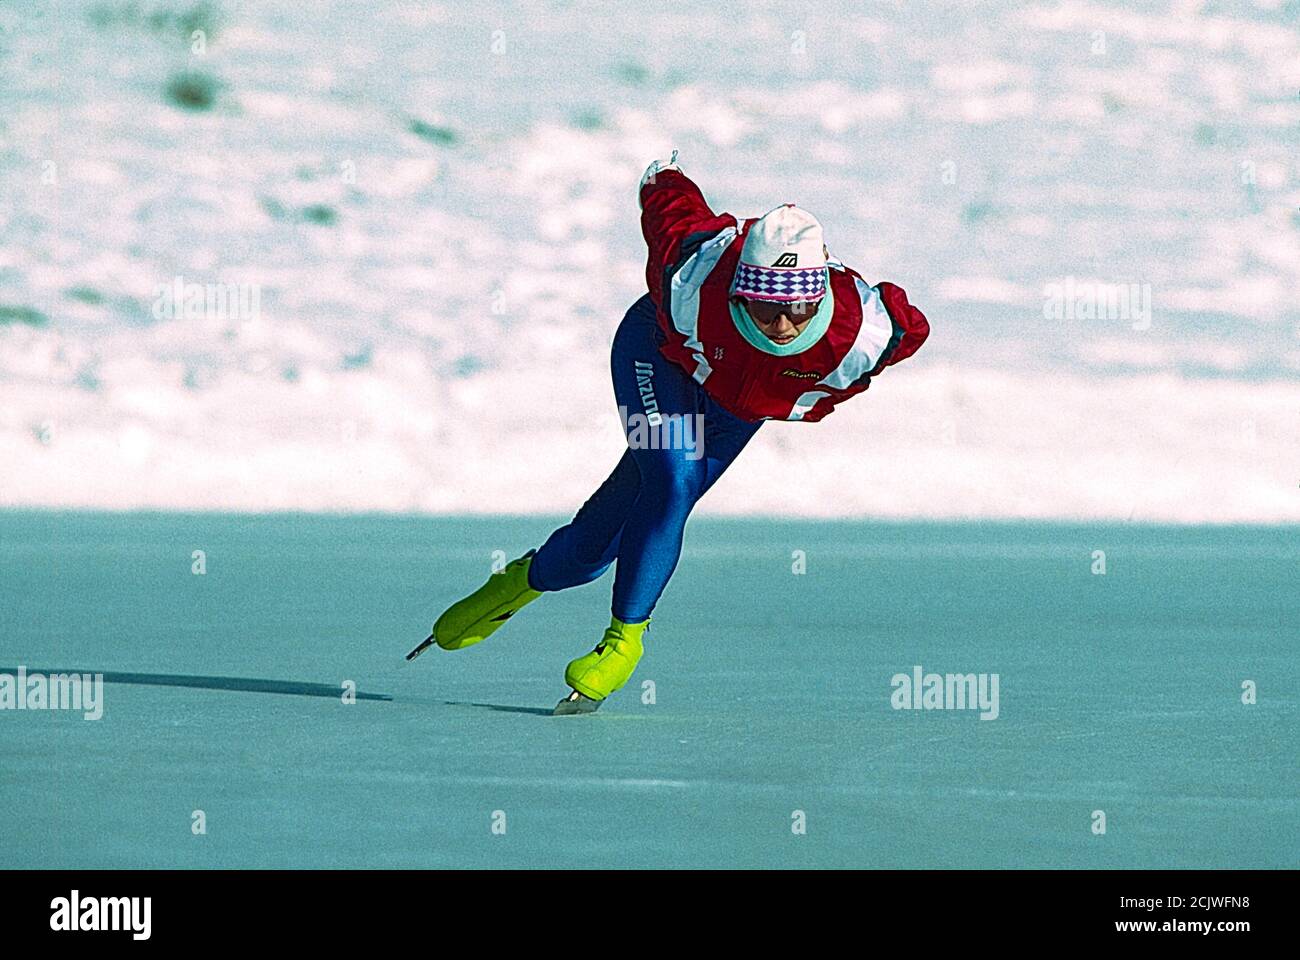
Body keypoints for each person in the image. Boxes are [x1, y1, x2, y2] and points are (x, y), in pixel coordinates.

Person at [411, 151, 931, 714]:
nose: (780, 323)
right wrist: (664, 172)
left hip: (736, 407)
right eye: (762, 304)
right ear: (737, 290)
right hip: (655, 355)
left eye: (799, 308)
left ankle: (521, 582)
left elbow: (914, 327)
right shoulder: (694, 271)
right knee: (673, 479)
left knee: (596, 544)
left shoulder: (871, 334)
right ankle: (623, 641)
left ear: (821, 293)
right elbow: (668, 206)